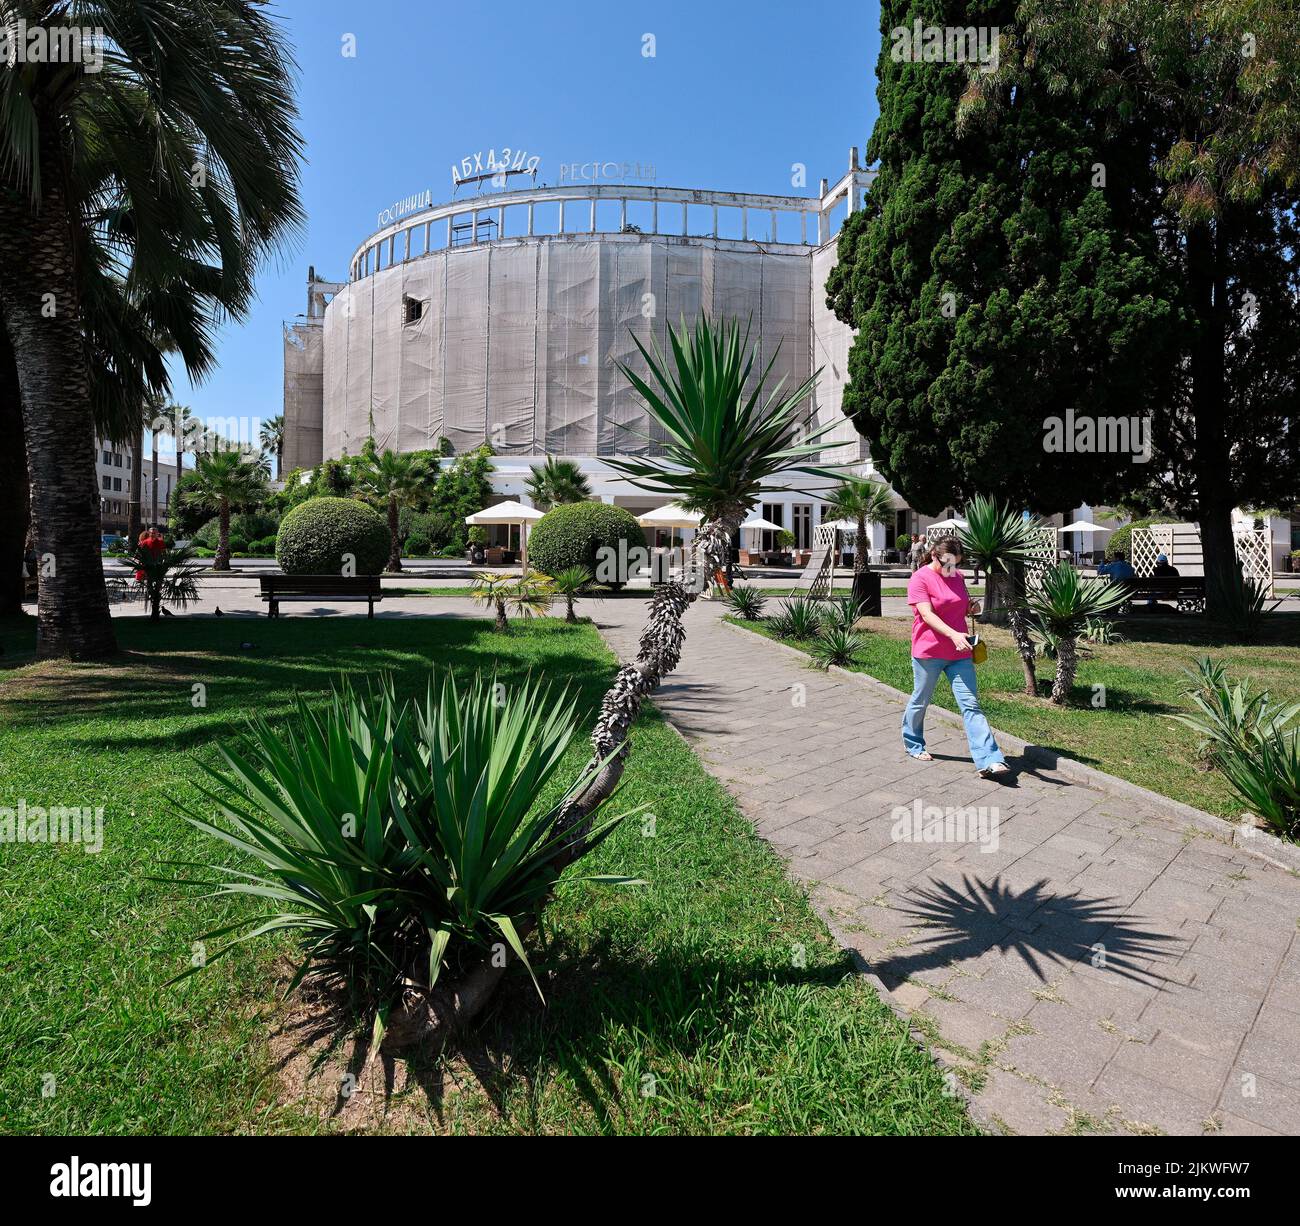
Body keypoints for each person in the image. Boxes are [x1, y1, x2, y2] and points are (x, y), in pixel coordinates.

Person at [903, 536, 1009, 777]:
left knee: (971, 704)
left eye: (957, 564)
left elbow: (958, 606)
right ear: (934, 556)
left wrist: (970, 607)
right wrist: (953, 634)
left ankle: (989, 759)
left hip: (959, 652)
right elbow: (927, 615)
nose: (952, 569)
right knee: (921, 700)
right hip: (929, 652)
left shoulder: (958, 577)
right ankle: (914, 743)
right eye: (948, 564)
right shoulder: (920, 578)